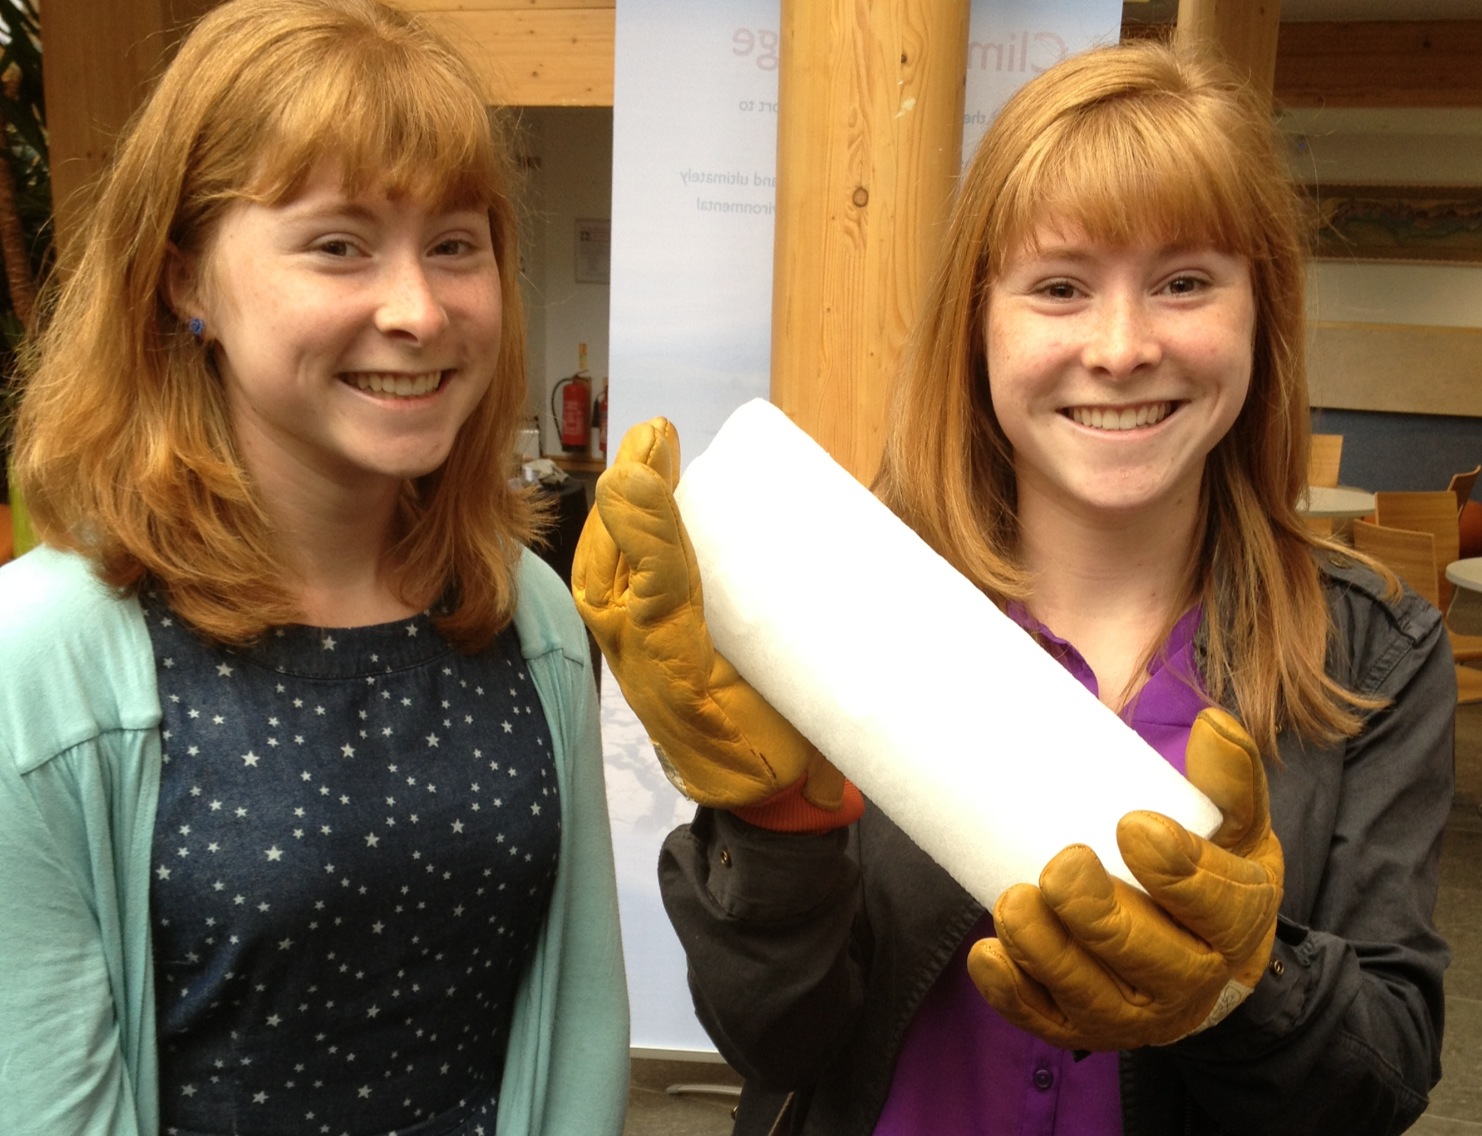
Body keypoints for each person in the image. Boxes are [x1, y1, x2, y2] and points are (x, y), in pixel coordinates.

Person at [572, 39, 1451, 1136]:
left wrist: (1234, 989)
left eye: (1185, 282)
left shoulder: (1368, 657)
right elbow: (777, 1039)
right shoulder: (843, 597)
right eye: (1059, 287)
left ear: (1261, 314)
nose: (1122, 346)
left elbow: (1381, 1078)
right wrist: (776, 827)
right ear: (980, 321)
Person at [0, 1, 628, 1133]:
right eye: (339, 243)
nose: (418, 309)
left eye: (454, 243)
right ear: (185, 281)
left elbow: (580, 1023)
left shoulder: (522, 608)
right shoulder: (43, 663)